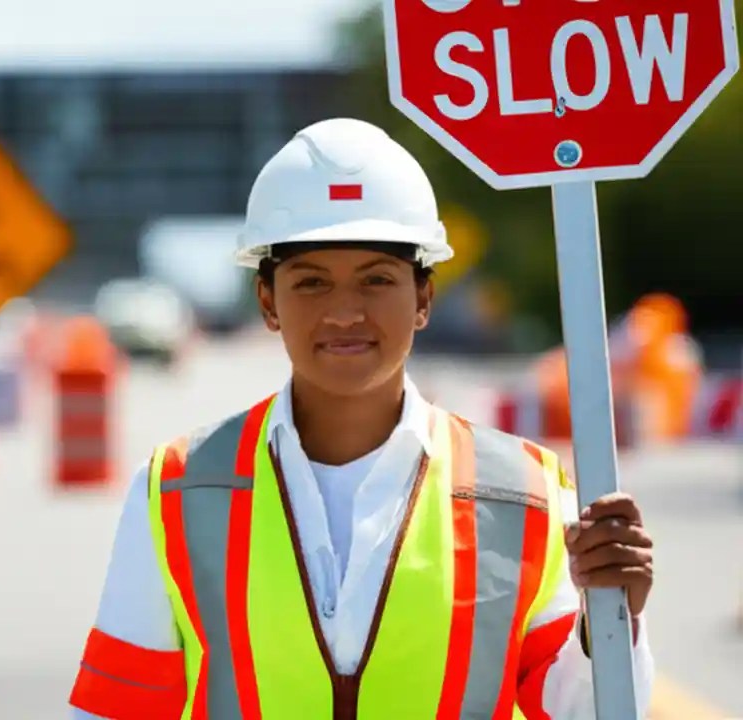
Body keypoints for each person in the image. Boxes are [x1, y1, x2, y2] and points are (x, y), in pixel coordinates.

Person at [68, 119, 655, 719]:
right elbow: (115, 710)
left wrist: (609, 623)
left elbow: (584, 712)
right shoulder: (176, 492)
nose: (345, 312)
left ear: (424, 297)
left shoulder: (523, 496)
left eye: (376, 280)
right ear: (268, 301)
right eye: (312, 283)